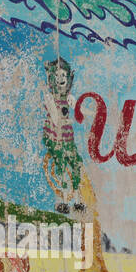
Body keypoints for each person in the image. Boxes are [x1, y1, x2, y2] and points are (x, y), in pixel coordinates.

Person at [41, 57, 83, 213]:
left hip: (67, 139)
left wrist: (97, 112)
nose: (60, 79)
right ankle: (63, 202)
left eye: (63, 75)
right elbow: (56, 120)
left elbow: (79, 109)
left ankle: (78, 201)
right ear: (52, 78)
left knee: (76, 165)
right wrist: (68, 120)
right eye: (57, 76)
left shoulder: (69, 97)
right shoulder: (49, 97)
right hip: (54, 138)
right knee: (62, 167)